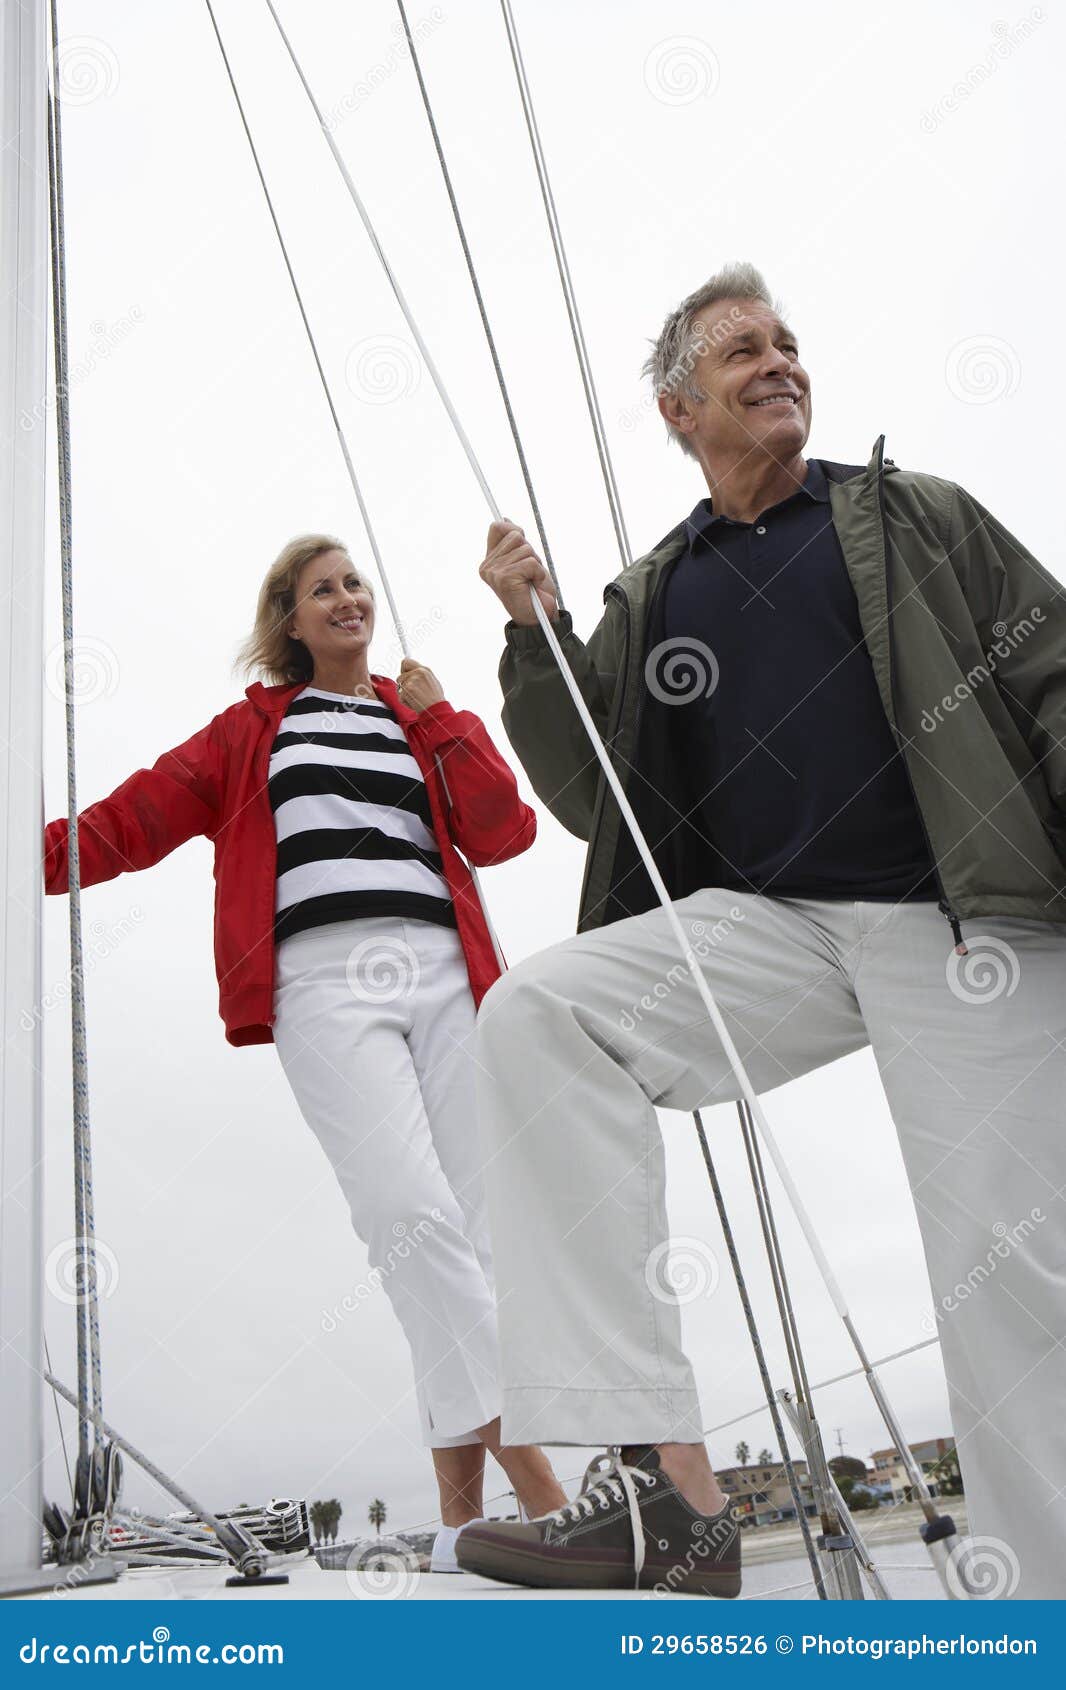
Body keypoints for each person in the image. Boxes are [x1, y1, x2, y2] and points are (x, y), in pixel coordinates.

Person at [456, 262, 1066, 1598]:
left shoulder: (912, 516)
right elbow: (588, 792)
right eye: (741, 348)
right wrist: (537, 630)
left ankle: (1045, 1611)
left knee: (1006, 1261)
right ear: (681, 406)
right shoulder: (655, 592)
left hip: (960, 918)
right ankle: (665, 1497)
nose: (776, 359)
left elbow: (1050, 677)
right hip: (773, 929)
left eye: (785, 341)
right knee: (538, 1014)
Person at [44, 533, 567, 1570]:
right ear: (288, 619)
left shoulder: (415, 719)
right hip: (324, 981)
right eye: (322, 588)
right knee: (409, 1219)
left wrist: (444, 717)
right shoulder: (251, 731)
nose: (346, 597)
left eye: (355, 582)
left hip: (448, 977)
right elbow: (125, 822)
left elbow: (504, 834)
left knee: (476, 1238)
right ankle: (545, 1494)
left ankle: (463, 1523)